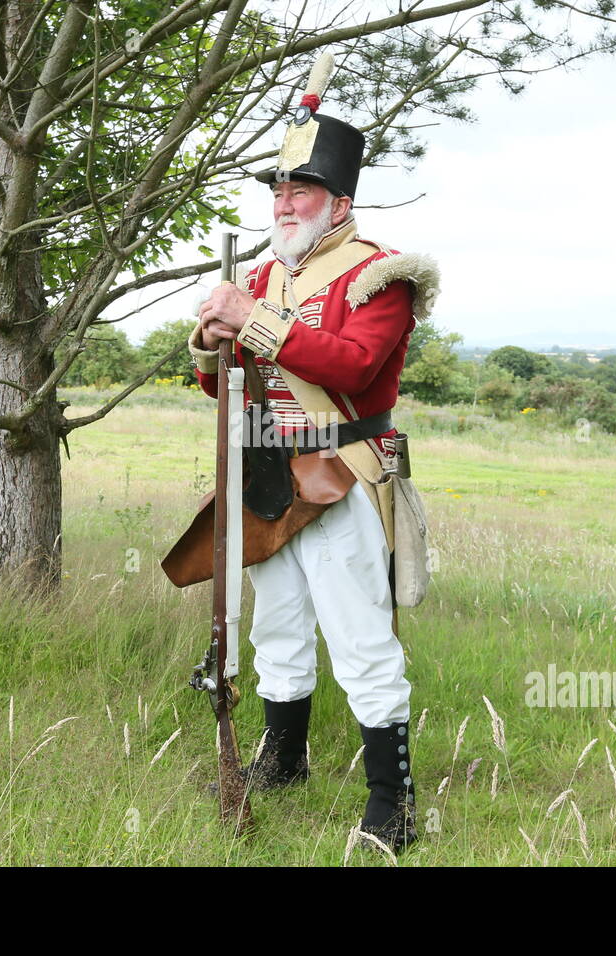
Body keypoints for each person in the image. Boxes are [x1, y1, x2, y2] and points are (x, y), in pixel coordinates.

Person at [185, 101, 440, 852]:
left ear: (340, 204)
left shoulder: (379, 275)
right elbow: (225, 385)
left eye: (300, 190)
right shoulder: (264, 272)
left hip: (343, 473)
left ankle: (392, 802)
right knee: (280, 625)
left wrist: (252, 319)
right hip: (269, 471)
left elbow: (355, 366)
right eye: (278, 191)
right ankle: (283, 762)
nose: (284, 202)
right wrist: (210, 344)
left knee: (359, 636)